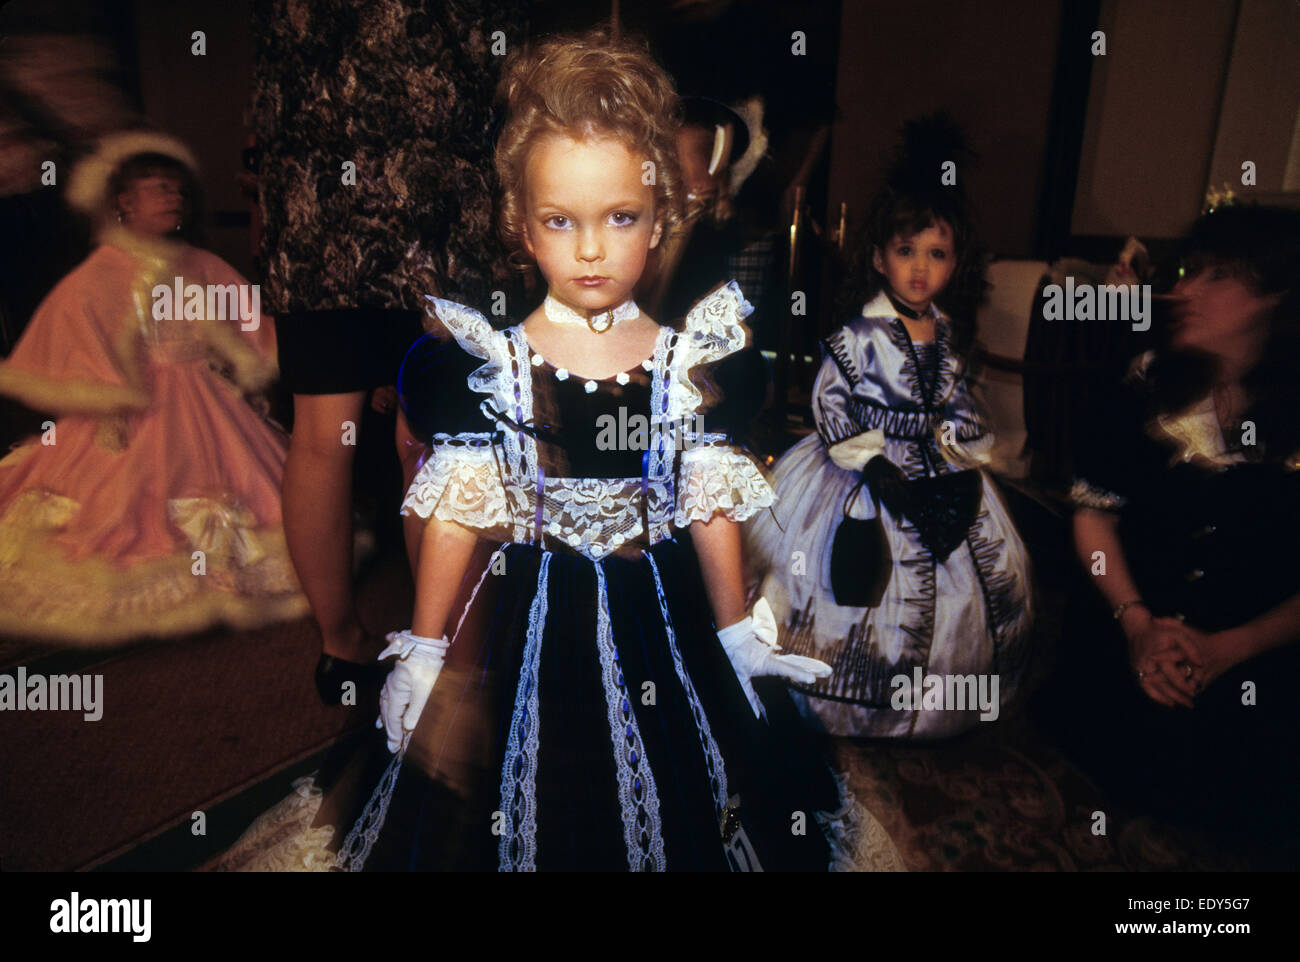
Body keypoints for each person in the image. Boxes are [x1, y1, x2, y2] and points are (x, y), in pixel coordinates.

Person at [222, 29, 857, 873]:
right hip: (526, 609)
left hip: (658, 612)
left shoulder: (685, 360)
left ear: (662, 215)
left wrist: (737, 632)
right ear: (521, 227)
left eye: (620, 218)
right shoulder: (494, 366)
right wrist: (426, 648)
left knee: (692, 787)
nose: (590, 248)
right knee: (502, 793)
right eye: (561, 221)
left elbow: (706, 505)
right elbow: (457, 515)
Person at [252, 0, 525, 705]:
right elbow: (496, 51)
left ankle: (340, 649)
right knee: (439, 439)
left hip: (316, 201)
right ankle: (456, 665)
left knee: (321, 434)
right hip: (436, 203)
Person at [744, 116, 1033, 738]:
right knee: (850, 581)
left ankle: (941, 698)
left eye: (937, 254)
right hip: (855, 472)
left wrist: (961, 453)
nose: (920, 269)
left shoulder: (948, 334)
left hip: (935, 469)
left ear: (957, 262)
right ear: (879, 258)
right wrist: (873, 464)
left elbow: (955, 407)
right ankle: (841, 691)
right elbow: (832, 404)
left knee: (971, 573)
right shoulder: (860, 336)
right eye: (906, 252)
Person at [1053, 204, 1300, 864]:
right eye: (1190, 272)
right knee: (1118, 731)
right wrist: (1137, 625)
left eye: (1218, 277)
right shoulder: (1143, 383)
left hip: (1254, 653)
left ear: (1274, 298)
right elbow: (1094, 517)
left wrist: (1230, 648)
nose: (1184, 291)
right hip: (1131, 621)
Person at [0, 131, 306, 642]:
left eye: (179, 190)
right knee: (125, 501)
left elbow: (244, 325)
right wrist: (107, 399)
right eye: (159, 187)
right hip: (136, 404)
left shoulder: (200, 263)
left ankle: (229, 579)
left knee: (252, 482)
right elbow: (77, 336)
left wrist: (245, 374)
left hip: (208, 402)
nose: (173, 197)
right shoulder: (102, 272)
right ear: (123, 201)